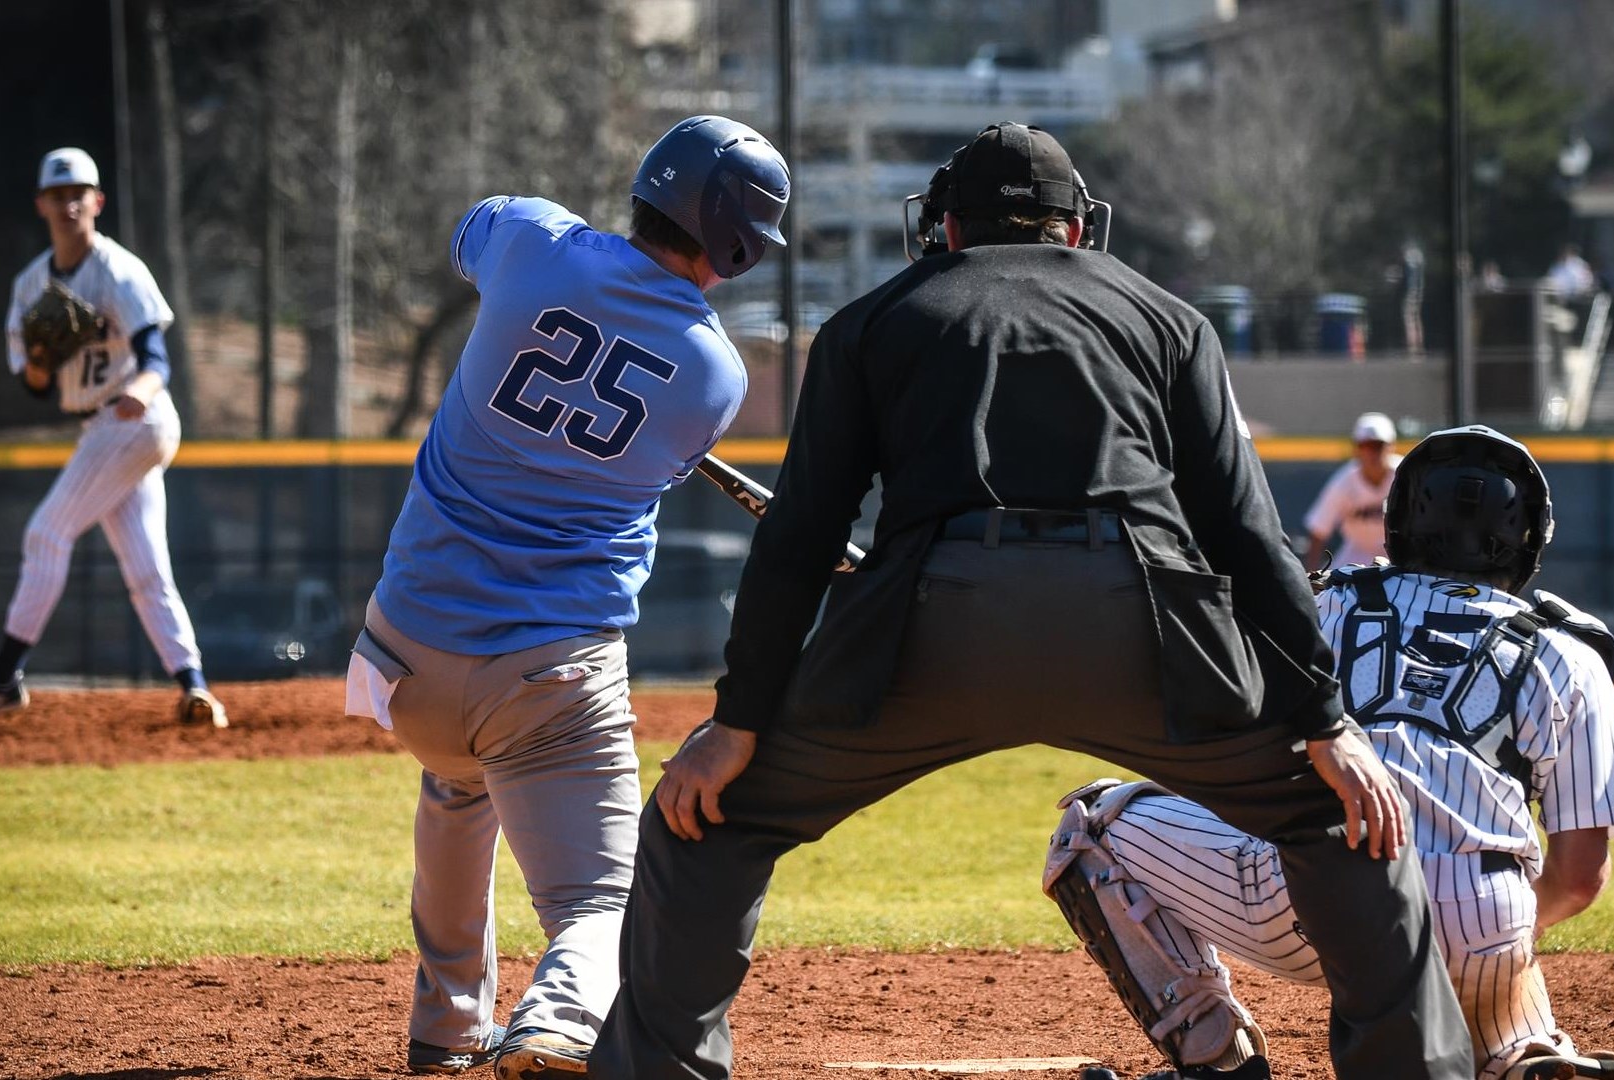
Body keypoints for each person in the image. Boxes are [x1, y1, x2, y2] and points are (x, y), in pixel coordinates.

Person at [589, 122, 1472, 1080]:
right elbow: (1247, 538)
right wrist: (1325, 723)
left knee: (705, 814)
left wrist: (737, 721)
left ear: (946, 231)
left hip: (930, 629)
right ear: (1076, 230)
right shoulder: (1170, 321)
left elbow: (796, 544)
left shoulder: (871, 321)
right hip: (1146, 628)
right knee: (1343, 816)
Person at [344, 115, 788, 1078]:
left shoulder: (534, 241)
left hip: (401, 652)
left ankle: (446, 1024)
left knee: (457, 779)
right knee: (605, 904)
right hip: (545, 677)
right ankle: (553, 1019)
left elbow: (476, 230)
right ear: (737, 243)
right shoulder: (712, 378)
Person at [1043, 426, 1614, 1080]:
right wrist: (1517, 929)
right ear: (1529, 537)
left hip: (1322, 901)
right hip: (1486, 916)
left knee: (1089, 827)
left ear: (1400, 517)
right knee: (1487, 956)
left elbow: (1219, 716)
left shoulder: (1330, 600)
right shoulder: (1571, 656)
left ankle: (1215, 1058)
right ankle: (1522, 1056)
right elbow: (1580, 877)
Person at [0, 147, 227, 731]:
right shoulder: (29, 284)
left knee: (46, 532)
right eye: (58, 194)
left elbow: (157, 360)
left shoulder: (119, 270)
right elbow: (36, 386)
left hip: (137, 420)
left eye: (79, 192)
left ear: (97, 201)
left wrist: (139, 387)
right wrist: (41, 360)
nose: (69, 203)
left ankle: (0, 681)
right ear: (42, 204)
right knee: (146, 568)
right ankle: (195, 688)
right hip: (102, 427)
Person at [1302, 411, 1399, 571]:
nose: (1371, 453)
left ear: (1391, 446)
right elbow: (1318, 530)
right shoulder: (1343, 482)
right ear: (1356, 449)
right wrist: (1310, 577)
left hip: (1399, 554)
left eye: (1377, 445)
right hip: (1357, 554)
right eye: (1365, 445)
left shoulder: (1404, 475)